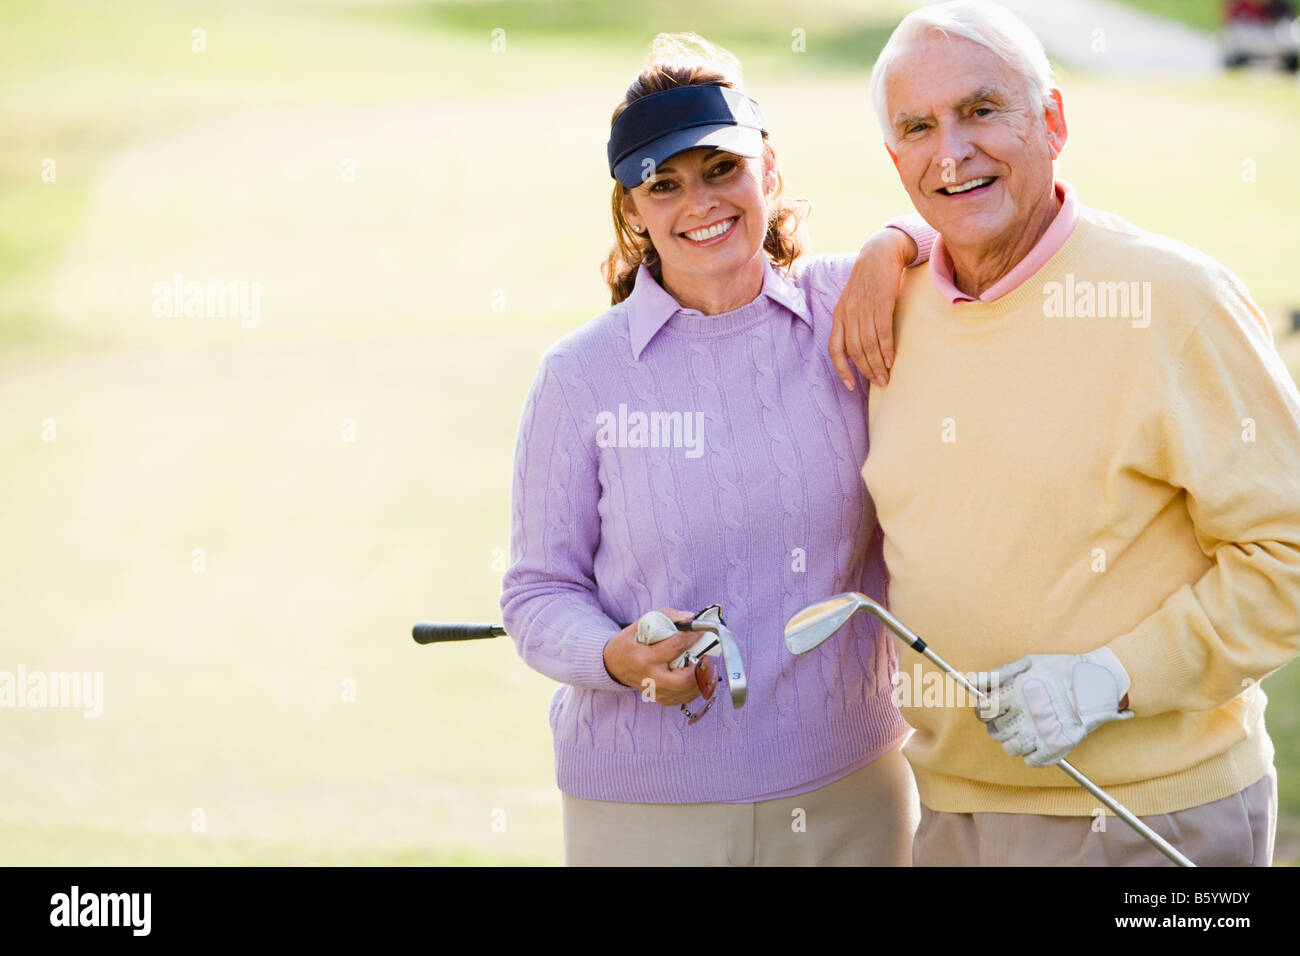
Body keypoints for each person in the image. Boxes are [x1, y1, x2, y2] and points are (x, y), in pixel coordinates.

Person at [843, 0, 1300, 866]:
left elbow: (1290, 550)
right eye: (919, 127)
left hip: (1151, 821)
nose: (952, 151)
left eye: (982, 110)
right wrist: (890, 241)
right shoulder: (883, 310)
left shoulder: (1176, 301)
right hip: (948, 820)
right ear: (895, 157)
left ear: (1052, 119)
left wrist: (1115, 677)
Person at [499, 33, 937, 866]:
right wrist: (616, 657)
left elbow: (971, 221)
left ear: (768, 171)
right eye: (664, 185)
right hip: (641, 811)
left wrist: (893, 242)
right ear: (632, 211)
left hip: (848, 792)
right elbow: (536, 591)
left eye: (721, 170)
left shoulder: (850, 302)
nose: (699, 203)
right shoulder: (580, 377)